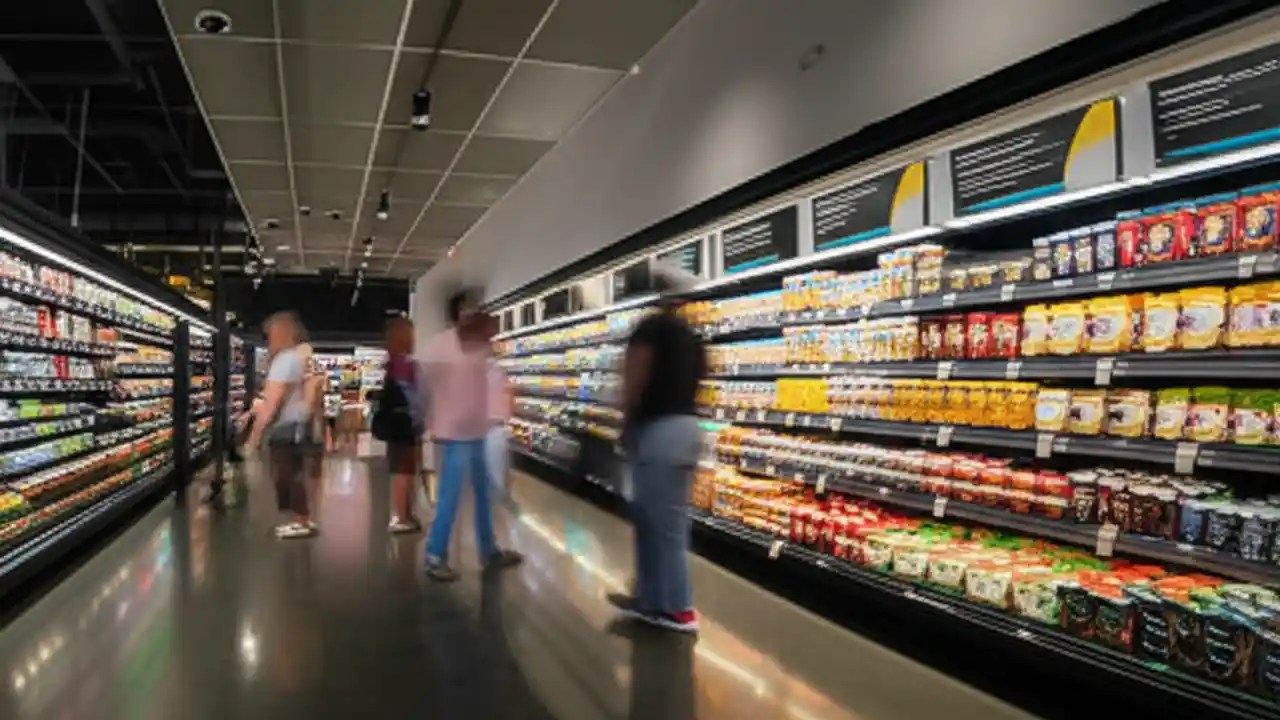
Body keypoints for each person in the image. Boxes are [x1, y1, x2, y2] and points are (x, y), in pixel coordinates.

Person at [610, 268, 707, 633]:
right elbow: (704, 379)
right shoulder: (691, 338)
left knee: (662, 526)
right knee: (656, 520)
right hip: (687, 430)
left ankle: (679, 609)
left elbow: (634, 377)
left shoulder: (650, 330)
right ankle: (651, 601)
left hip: (658, 433)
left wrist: (624, 422)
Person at [421, 289, 522, 581]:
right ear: (458, 315)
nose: (475, 314)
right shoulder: (441, 345)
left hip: (476, 430)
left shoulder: (477, 344)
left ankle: (488, 550)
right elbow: (425, 384)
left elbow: (492, 328)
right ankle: (434, 554)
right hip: (455, 433)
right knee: (450, 495)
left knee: (482, 494)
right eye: (469, 310)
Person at [246, 311, 318, 539]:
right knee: (292, 473)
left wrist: (254, 435)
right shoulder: (297, 358)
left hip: (287, 426)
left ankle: (301, 521)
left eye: (271, 335)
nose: (268, 340)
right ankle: (301, 519)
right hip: (298, 424)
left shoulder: (284, 360)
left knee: (288, 473)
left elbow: (273, 400)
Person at [384, 317, 427, 533]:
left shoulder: (392, 362)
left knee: (401, 469)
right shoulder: (407, 365)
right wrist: (421, 420)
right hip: (406, 423)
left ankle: (404, 514)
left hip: (395, 423)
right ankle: (400, 517)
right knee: (405, 471)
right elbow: (414, 397)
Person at [484, 316, 515, 512]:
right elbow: (510, 397)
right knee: (499, 471)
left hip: (485, 428)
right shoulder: (499, 372)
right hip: (497, 428)